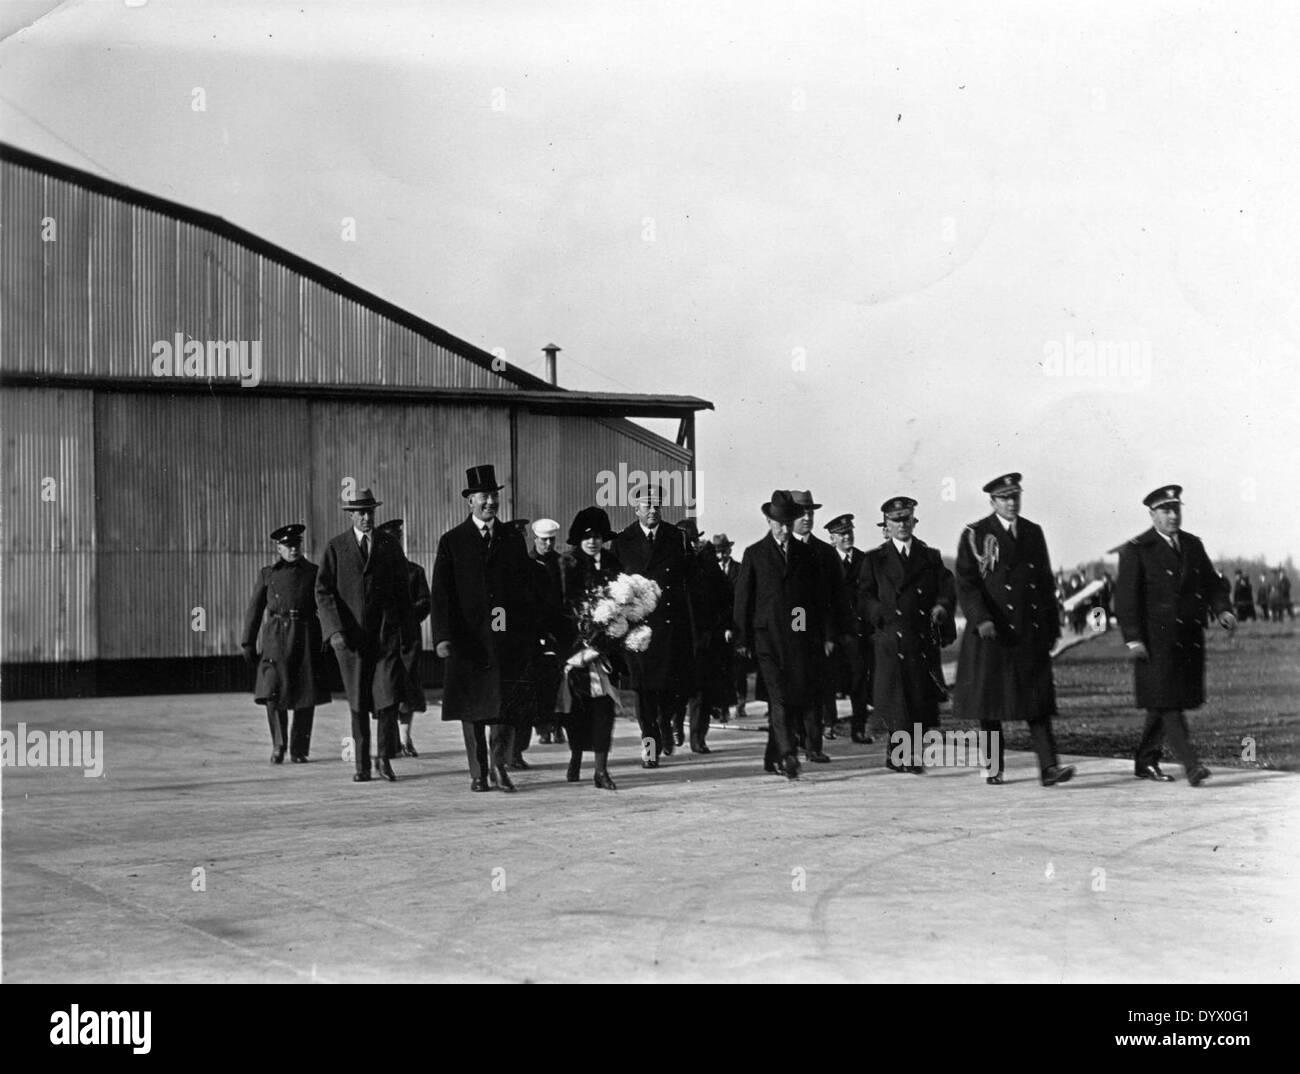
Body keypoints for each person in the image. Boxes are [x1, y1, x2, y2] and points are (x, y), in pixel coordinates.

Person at [953, 473, 1074, 787]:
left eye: (1015, 496)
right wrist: (981, 619)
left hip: (1028, 632)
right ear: (992, 501)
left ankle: (1049, 768)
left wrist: (1052, 627)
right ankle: (994, 767)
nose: (1011, 503)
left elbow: (1044, 582)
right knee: (990, 705)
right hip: (992, 634)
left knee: (1037, 704)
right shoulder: (975, 534)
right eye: (1004, 498)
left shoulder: (1033, 532)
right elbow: (967, 583)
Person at [430, 464, 541, 793]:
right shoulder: (452, 541)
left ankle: (499, 767)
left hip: (506, 639)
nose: (490, 502)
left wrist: (526, 632)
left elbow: (524, 589)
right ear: (470, 501)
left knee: (504, 706)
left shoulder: (511, 538)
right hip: (468, 640)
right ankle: (478, 771)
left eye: (494, 495)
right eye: (484, 496)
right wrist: (442, 637)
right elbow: (441, 593)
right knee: (473, 708)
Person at [1115, 486, 1234, 786]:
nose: (1173, 516)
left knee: (1163, 701)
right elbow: (1126, 599)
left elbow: (1212, 584)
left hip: (1188, 639)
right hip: (1155, 642)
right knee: (1169, 704)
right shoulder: (1137, 549)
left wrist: (1223, 610)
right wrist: (1133, 638)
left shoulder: (1192, 545)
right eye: (1166, 510)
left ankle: (1146, 760)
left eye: (1176, 509)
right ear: (1152, 514)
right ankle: (1192, 766)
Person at [733, 490, 835, 780]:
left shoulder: (806, 554)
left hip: (798, 639)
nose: (785, 529)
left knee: (792, 698)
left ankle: (772, 756)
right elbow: (743, 599)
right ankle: (789, 754)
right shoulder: (754, 553)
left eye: (788, 523)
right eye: (780, 524)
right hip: (766, 640)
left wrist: (820, 634)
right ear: (769, 521)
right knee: (778, 697)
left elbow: (817, 598)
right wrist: (742, 638)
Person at [316, 490, 410, 783]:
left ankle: (384, 759)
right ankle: (361, 765)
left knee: (387, 698)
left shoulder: (389, 545)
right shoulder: (336, 547)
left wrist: (406, 630)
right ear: (351, 516)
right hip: (352, 640)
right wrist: (334, 630)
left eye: (370, 512)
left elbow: (403, 589)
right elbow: (323, 591)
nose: (367, 517)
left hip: (385, 636)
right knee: (358, 702)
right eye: (361, 513)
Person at [858, 498, 956, 772]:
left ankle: (902, 754)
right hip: (891, 639)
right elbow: (863, 596)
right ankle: (903, 755)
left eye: (906, 519)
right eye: (895, 520)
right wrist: (880, 613)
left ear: (913, 521)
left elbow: (947, 587)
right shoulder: (874, 559)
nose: (902, 524)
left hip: (920, 639)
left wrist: (942, 606)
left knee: (918, 700)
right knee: (897, 701)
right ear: (886, 525)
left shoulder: (930, 556)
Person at [612, 485, 692, 767]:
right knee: (644, 695)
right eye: (647, 505)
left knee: (669, 691)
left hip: (669, 628)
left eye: (657, 505)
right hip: (639, 631)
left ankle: (665, 724)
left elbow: (687, 582)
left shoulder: (676, 538)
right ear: (636, 509)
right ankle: (650, 747)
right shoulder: (622, 541)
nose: (653, 510)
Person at [241, 524, 331, 764]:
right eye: (288, 546)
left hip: (305, 635)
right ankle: (279, 746)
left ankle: (299, 750)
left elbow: (325, 605)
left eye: (296, 545)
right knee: (273, 692)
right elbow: (254, 609)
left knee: (305, 694)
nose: (293, 549)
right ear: (279, 548)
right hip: (276, 639)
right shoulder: (268, 574)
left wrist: (328, 634)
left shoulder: (313, 572)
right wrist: (248, 641)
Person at [557, 507, 624, 789]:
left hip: (605, 650)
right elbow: (559, 605)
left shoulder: (613, 563)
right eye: (587, 537)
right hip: (574, 651)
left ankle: (601, 770)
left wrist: (608, 636)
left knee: (603, 712)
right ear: (578, 539)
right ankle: (575, 756)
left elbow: (622, 603)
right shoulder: (567, 563)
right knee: (575, 713)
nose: (592, 541)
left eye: (597, 536)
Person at [789, 489, 847, 758]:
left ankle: (814, 746)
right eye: (801, 513)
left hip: (816, 636)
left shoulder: (825, 553)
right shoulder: (779, 550)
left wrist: (830, 635)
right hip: (789, 635)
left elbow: (836, 598)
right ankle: (795, 739)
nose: (807, 518)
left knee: (815, 691)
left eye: (810, 512)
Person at [376, 519, 430, 759]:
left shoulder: (414, 571)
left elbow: (425, 602)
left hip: (408, 640)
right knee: (386, 689)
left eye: (397, 540)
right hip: (383, 640)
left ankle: (405, 739)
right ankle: (390, 740)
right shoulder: (375, 573)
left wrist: (406, 615)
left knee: (408, 690)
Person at [824, 513, 877, 744]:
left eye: (849, 532)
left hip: (858, 632)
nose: (847, 537)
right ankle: (828, 724)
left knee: (859, 682)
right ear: (832, 538)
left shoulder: (865, 560)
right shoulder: (825, 561)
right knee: (829, 681)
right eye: (841, 534)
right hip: (833, 633)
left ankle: (858, 729)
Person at [685, 539, 736, 753]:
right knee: (694, 693)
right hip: (690, 639)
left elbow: (728, 602)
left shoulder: (710, 571)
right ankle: (684, 732)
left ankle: (697, 736)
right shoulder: (683, 568)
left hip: (705, 641)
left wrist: (721, 627)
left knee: (701, 692)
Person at [527, 518, 568, 749]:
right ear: (535, 539)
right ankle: (542, 727)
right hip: (536, 630)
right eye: (544, 540)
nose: (549, 544)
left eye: (552, 539)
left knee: (560, 680)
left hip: (559, 630)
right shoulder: (527, 563)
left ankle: (558, 724)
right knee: (539, 680)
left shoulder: (561, 563)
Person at [713, 534, 748, 720]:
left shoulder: (739, 569)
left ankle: (741, 703)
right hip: (719, 627)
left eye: (723, 551)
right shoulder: (711, 571)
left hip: (737, 624)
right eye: (718, 552)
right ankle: (722, 707)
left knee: (739, 668)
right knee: (721, 669)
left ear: (729, 550)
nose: (721, 555)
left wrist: (735, 627)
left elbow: (741, 599)